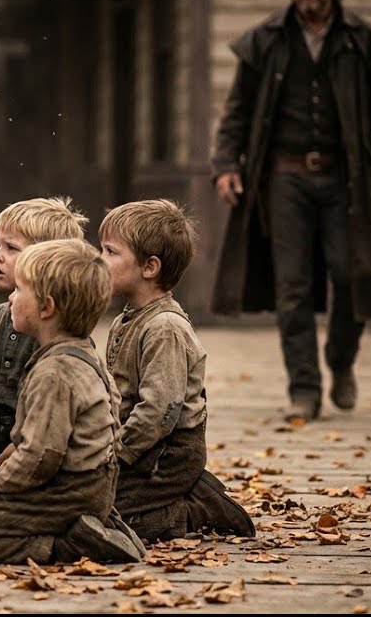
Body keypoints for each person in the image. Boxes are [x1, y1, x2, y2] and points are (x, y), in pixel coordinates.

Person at [210, 0, 371, 421]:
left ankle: (340, 361)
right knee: (293, 287)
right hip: (284, 181)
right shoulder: (265, 40)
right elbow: (235, 115)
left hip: (349, 181)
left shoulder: (365, 42)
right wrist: (225, 165)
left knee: (352, 274)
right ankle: (303, 388)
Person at [0, 239, 144, 564]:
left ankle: (70, 543)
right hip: (95, 484)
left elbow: (40, 457)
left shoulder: (54, 373)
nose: (11, 297)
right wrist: (1, 472)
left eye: (19, 291)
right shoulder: (82, 352)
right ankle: (93, 525)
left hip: (65, 491)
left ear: (46, 308)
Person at [100, 200, 255, 543]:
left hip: (168, 452)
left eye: (111, 252)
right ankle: (184, 491)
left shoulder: (164, 328)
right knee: (88, 498)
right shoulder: (124, 320)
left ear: (150, 267)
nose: (100, 259)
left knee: (108, 514)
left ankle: (196, 508)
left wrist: (113, 456)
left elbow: (159, 414)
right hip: (138, 445)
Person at [0, 197, 89, 470]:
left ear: (48, 260)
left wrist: (15, 452)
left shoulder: (58, 327)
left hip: (38, 448)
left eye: (11, 248)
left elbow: (53, 413)